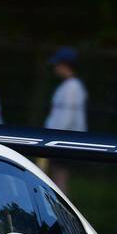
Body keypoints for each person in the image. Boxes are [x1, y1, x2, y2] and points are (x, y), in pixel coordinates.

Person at [42, 46, 86, 189]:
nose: (55, 67)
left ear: (64, 64)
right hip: (60, 140)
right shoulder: (68, 86)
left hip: (62, 141)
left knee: (59, 181)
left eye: (57, 64)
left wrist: (52, 138)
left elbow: (66, 118)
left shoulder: (72, 87)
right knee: (55, 179)